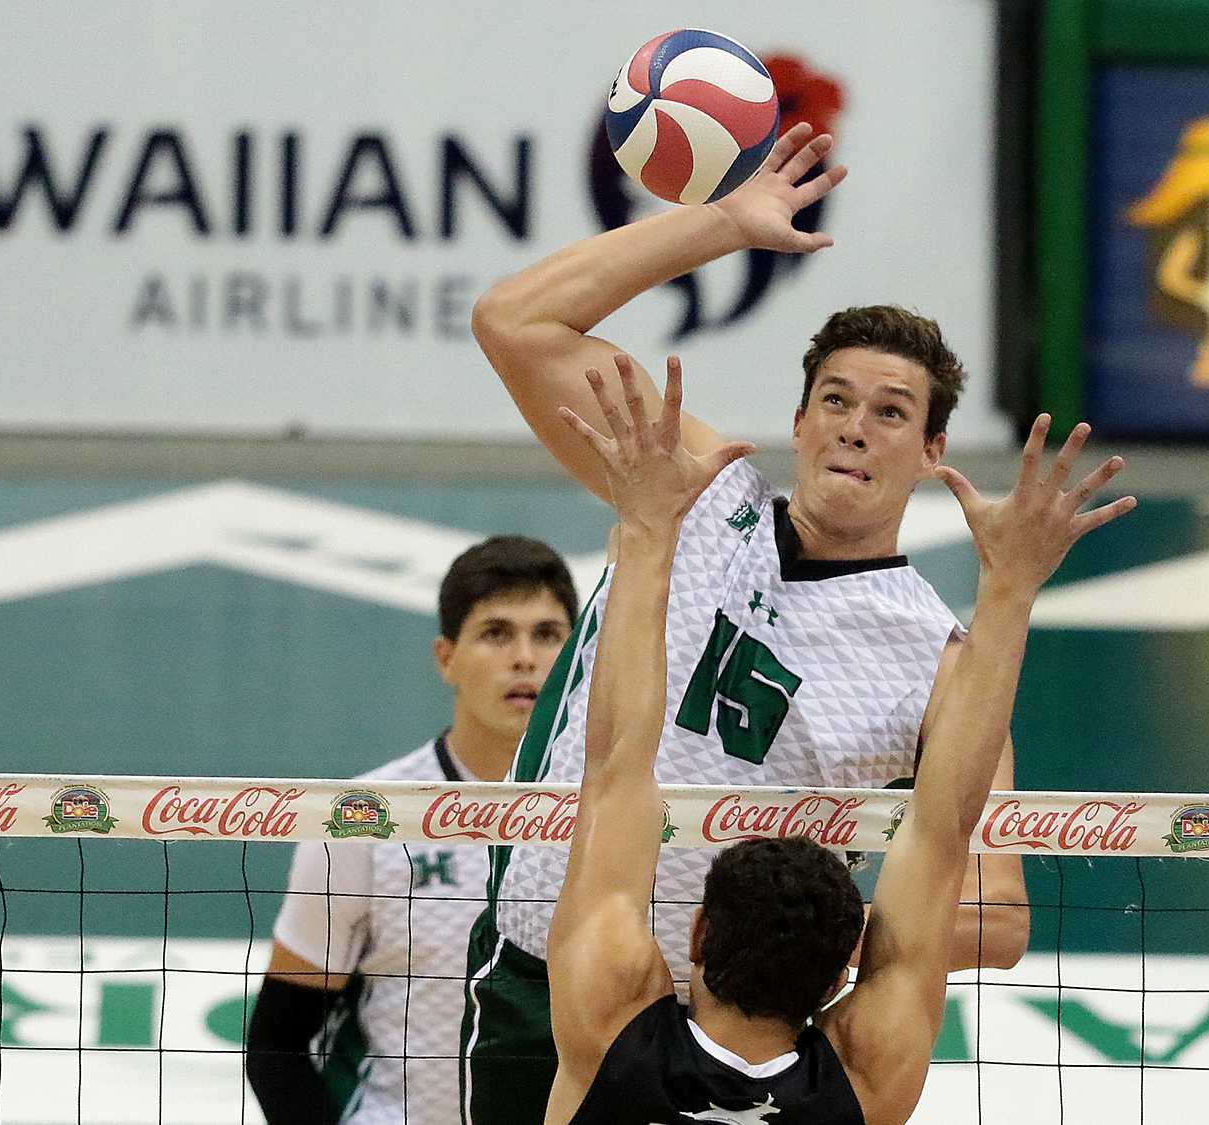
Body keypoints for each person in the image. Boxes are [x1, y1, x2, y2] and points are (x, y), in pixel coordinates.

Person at [462, 123, 1036, 1125]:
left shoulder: (936, 661)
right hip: (550, 973)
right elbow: (516, 324)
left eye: (891, 412)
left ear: (934, 448)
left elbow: (994, 914)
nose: (856, 424)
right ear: (801, 421)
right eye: (835, 399)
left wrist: (787, 934)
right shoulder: (685, 489)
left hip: (752, 1027)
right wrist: (719, 223)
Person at [544, 360, 1132, 1125]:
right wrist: (1011, 590)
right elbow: (942, 830)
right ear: (834, 985)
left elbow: (617, 762)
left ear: (693, 934)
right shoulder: (867, 1076)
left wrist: (650, 526)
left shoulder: (606, 1019)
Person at [245, 536, 577, 1125]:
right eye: (496, 633)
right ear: (445, 657)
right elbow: (277, 1044)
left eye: (548, 635)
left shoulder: (617, 818)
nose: (525, 658)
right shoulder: (363, 819)